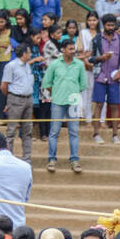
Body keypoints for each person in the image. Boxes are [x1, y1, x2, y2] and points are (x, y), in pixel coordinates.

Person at [42, 39, 87, 172]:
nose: (73, 51)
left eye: (74, 49)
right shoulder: (54, 64)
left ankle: (74, 160)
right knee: (54, 131)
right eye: (70, 49)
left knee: (74, 132)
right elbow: (47, 83)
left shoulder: (79, 64)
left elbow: (83, 84)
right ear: (63, 50)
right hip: (57, 101)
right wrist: (57, 92)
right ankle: (51, 159)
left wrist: (71, 91)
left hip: (74, 101)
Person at [89, 12, 120, 144]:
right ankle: (96, 134)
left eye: (112, 25)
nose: (110, 27)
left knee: (115, 105)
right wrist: (101, 58)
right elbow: (90, 58)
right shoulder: (97, 39)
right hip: (100, 76)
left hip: (114, 77)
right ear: (103, 25)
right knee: (98, 105)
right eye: (108, 25)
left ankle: (115, 135)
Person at [1, 43, 35, 164]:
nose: (30, 54)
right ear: (24, 54)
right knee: (11, 131)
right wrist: (11, 98)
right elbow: (4, 86)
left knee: (27, 131)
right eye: (29, 52)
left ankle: (27, 158)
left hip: (28, 99)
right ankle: (8, 159)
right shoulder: (11, 66)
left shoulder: (27, 66)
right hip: (16, 99)